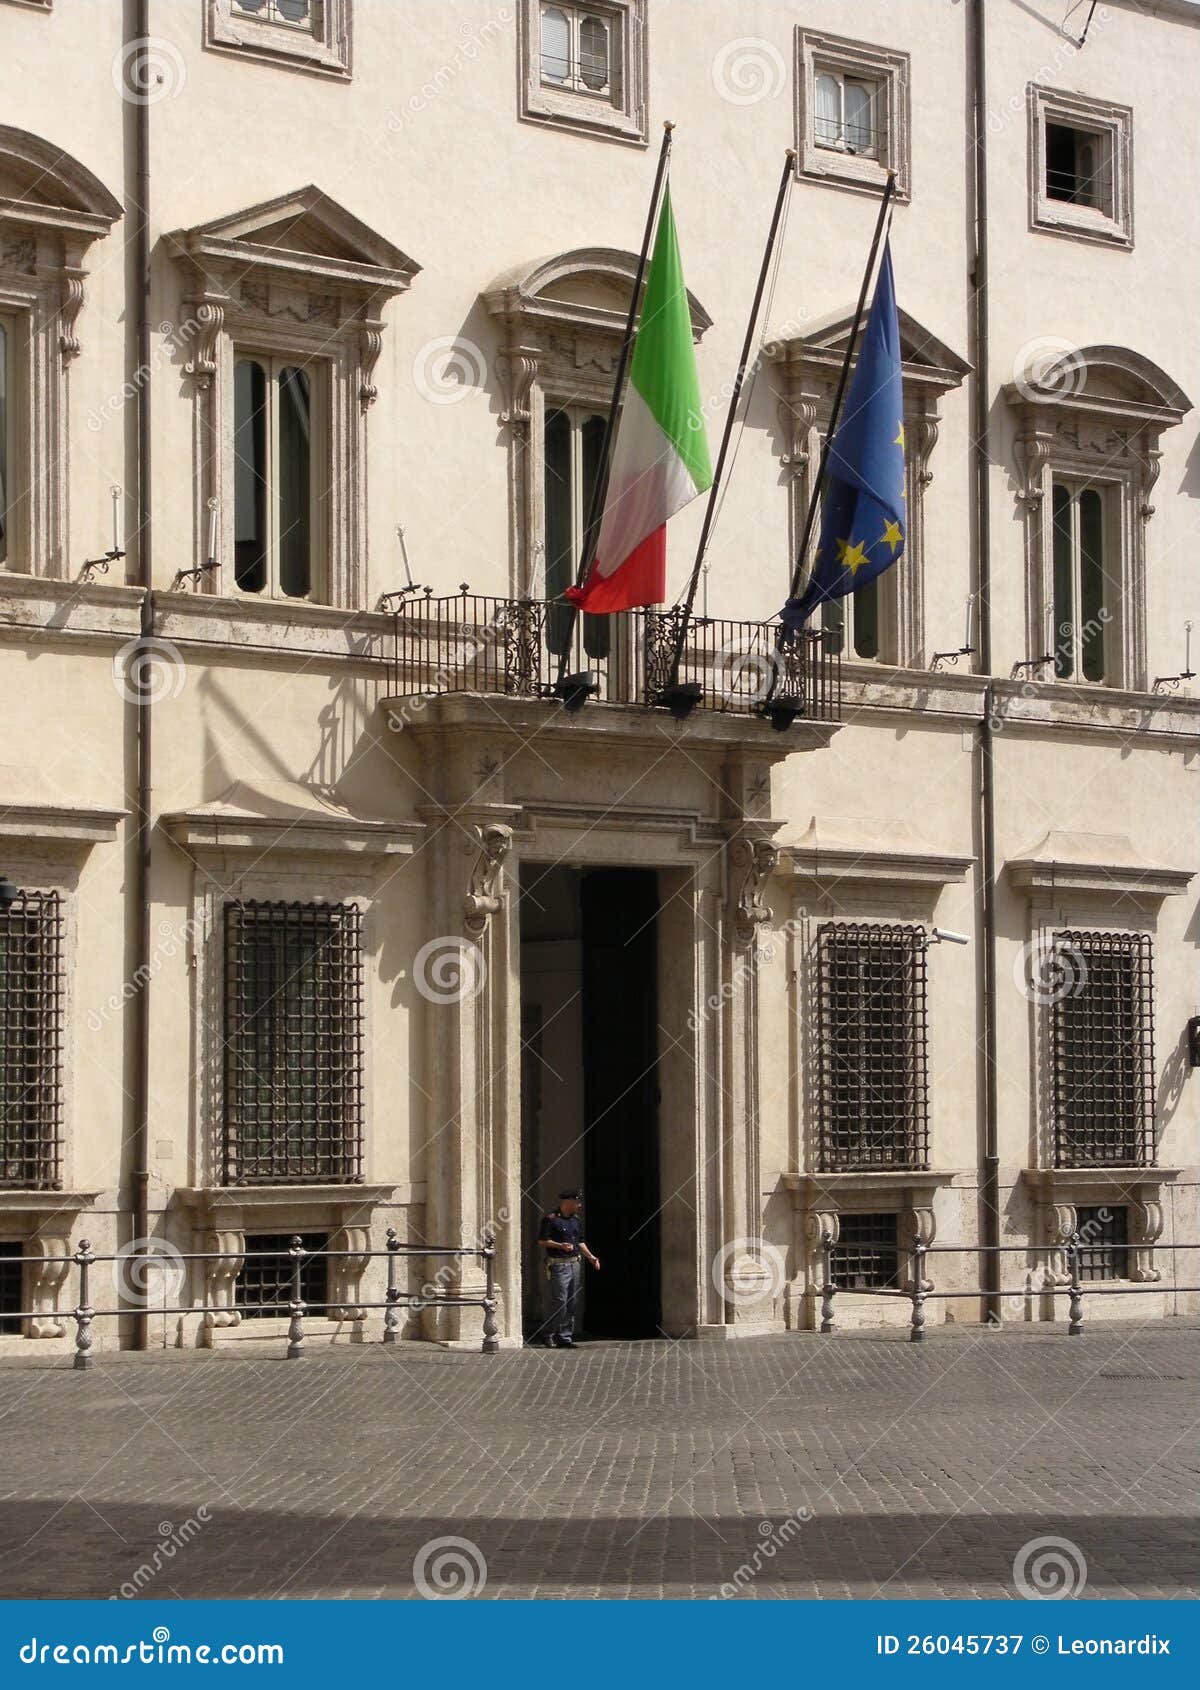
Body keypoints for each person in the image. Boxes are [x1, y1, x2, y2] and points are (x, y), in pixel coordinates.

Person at [537, 1188, 600, 1348]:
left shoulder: (575, 1220)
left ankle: (565, 1337)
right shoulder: (551, 1219)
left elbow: (580, 1242)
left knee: (572, 1301)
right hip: (558, 1265)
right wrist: (560, 1245)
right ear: (568, 1202)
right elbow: (542, 1241)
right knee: (560, 1301)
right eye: (577, 1202)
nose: (579, 1205)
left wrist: (591, 1257)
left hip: (575, 1264)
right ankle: (549, 1334)